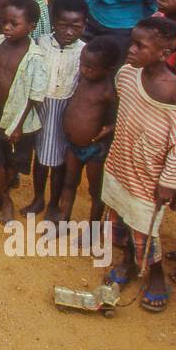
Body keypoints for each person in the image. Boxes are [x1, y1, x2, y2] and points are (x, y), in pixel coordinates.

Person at [100, 18, 176, 313]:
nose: (131, 49)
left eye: (141, 46)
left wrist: (170, 182)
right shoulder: (126, 74)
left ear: (164, 53)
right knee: (125, 218)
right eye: (132, 41)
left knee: (145, 228)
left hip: (151, 175)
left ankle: (156, 276)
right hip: (122, 161)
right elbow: (124, 107)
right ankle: (128, 262)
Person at [0, 0, 47, 222]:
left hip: (18, 120)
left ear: (31, 26)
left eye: (14, 24)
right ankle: (3, 197)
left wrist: (18, 125)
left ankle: (2, 197)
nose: (7, 27)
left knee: (11, 162)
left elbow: (35, 96)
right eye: (5, 22)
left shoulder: (35, 57)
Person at [27, 0, 88, 219]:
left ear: (85, 25)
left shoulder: (85, 51)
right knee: (40, 157)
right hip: (43, 105)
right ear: (54, 22)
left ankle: (54, 202)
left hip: (67, 110)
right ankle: (37, 198)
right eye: (63, 25)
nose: (69, 31)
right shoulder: (41, 43)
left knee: (60, 162)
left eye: (76, 26)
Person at [54, 35, 121, 225]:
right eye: (82, 63)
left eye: (90, 67)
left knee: (95, 190)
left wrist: (105, 131)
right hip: (73, 146)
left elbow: (114, 120)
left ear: (108, 69)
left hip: (94, 149)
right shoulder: (82, 80)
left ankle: (93, 228)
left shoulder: (107, 91)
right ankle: (63, 219)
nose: (84, 69)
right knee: (69, 183)